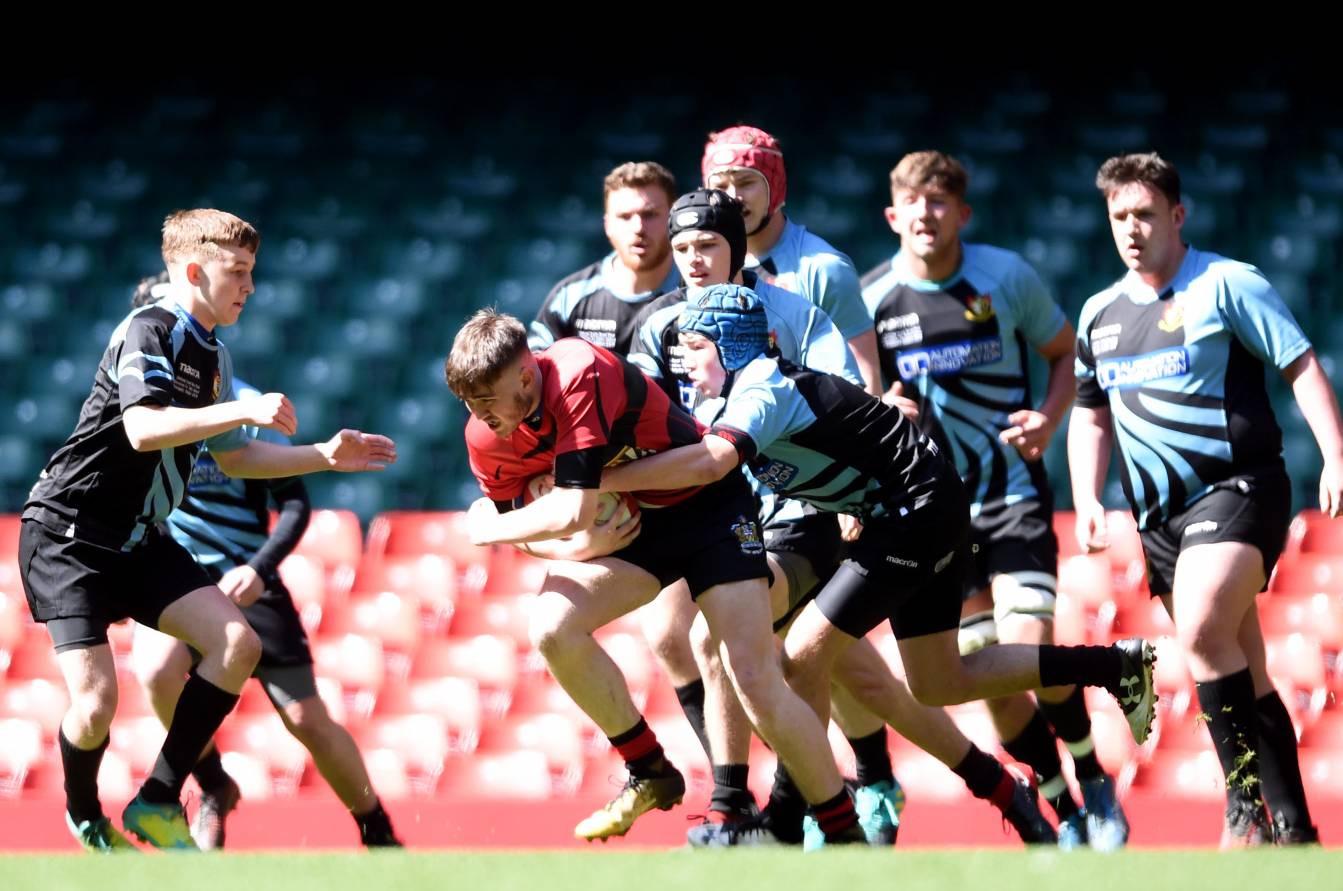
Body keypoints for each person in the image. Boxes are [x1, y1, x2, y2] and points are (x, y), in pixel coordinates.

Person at [598, 286, 1158, 842]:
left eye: (695, 347)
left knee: (802, 653)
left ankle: (800, 816)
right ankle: (1113, 666)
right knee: (940, 681)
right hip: (921, 506)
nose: (685, 361)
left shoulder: (758, 391)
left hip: (910, 512)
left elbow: (711, 463)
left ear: (727, 344)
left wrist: (600, 480)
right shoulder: (737, 394)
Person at [632, 190, 1055, 848]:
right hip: (732, 522)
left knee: (720, 634)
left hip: (801, 517)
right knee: (864, 680)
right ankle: (993, 786)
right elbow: (651, 423)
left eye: (707, 245)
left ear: (736, 247)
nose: (692, 259)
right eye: (682, 247)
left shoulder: (792, 307)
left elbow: (846, 400)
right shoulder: (660, 327)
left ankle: (740, 810)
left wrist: (859, 497)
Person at [17, 210, 396, 851]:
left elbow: (236, 457)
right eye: (239, 272)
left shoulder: (214, 353)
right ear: (195, 271)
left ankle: (160, 799)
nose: (250, 286)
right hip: (70, 535)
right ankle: (84, 812)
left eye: (253, 272)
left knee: (235, 644)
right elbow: (142, 428)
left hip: (138, 541)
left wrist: (323, 456)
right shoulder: (149, 327)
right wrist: (242, 406)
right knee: (96, 702)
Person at [446, 309, 864, 845]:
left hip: (711, 509)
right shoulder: (484, 437)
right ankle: (649, 770)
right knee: (551, 627)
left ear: (526, 376)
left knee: (754, 675)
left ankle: (843, 832)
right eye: (468, 403)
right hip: (637, 528)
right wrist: (574, 546)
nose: (479, 415)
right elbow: (535, 532)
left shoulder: (577, 370)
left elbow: (567, 509)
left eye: (486, 401)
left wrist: (491, 531)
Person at [1068, 152, 1342, 847]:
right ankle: (1295, 828)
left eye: (1144, 214)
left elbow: (1299, 361)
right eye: (1117, 216)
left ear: (1176, 215)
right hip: (1160, 520)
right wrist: (1085, 494)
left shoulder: (1225, 284)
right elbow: (1090, 412)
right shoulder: (1098, 312)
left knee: (1196, 629)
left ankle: (1243, 805)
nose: (1130, 229)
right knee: (1236, 662)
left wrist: (1335, 454)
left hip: (1240, 487)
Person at [860, 150, 1126, 850]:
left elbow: (1066, 352)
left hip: (1009, 495)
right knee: (989, 679)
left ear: (962, 213)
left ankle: (1093, 774)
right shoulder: (873, 301)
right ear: (892, 215)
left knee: (1027, 644)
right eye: (913, 202)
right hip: (930, 516)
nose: (926, 213)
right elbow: (861, 401)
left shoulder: (1003, 276)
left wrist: (1048, 416)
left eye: (940, 201)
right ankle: (1057, 803)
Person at [127, 272, 401, 850]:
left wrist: (259, 566)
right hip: (178, 572)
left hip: (246, 574)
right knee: (154, 672)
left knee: (305, 719)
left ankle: (378, 831)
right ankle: (213, 784)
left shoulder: (242, 402)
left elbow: (295, 504)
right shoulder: (134, 412)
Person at [700, 125, 881, 395]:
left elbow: (866, 384)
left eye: (747, 182)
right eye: (721, 185)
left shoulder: (824, 268)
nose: (734, 196)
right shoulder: (695, 266)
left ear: (775, 186)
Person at [528, 161, 681, 354]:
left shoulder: (700, 294)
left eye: (649, 214)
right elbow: (533, 373)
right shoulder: (569, 297)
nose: (638, 228)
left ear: (673, 218)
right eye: (625, 217)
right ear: (608, 225)